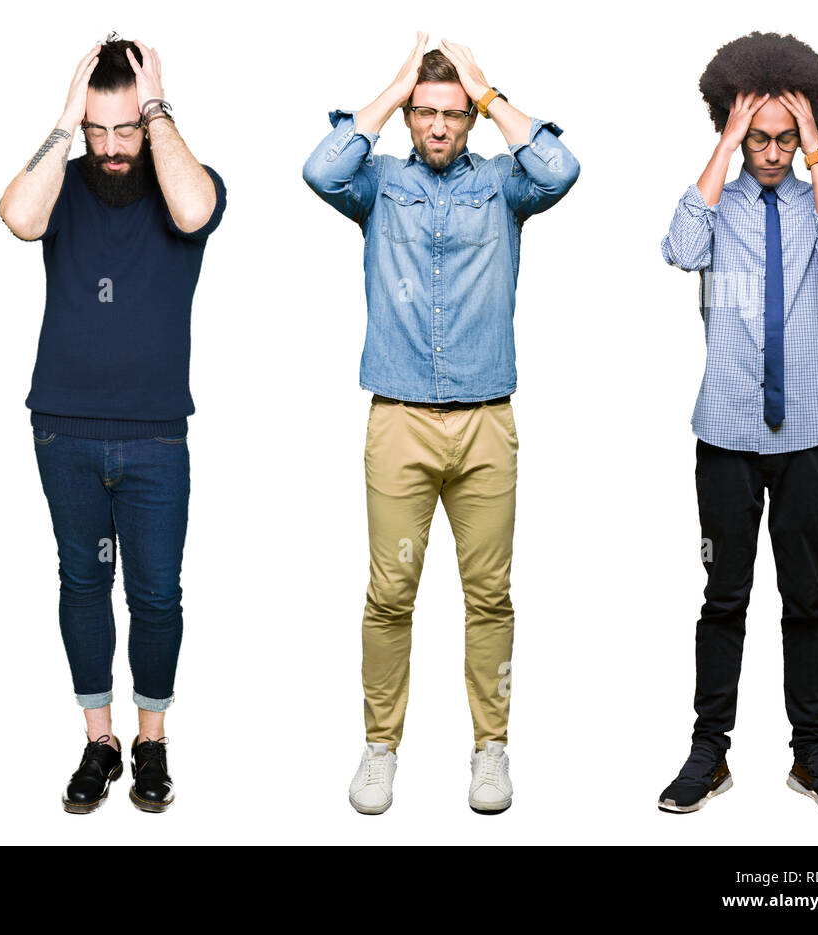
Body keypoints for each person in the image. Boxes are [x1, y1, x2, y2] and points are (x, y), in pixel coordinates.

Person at [302, 32, 579, 815]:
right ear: (408, 117)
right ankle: (379, 746)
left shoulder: (503, 186)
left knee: (489, 594)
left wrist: (488, 92)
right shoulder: (379, 185)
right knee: (390, 594)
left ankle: (491, 748)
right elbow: (319, 168)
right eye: (425, 112)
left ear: (470, 120)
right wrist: (391, 90)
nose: (437, 127)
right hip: (399, 421)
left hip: (487, 421)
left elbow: (563, 168)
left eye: (451, 114)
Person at [0, 33, 225, 814]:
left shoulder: (184, 182)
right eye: (99, 132)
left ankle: (151, 738)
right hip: (63, 428)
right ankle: (99, 739)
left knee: (157, 594)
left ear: (150, 119)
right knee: (83, 582)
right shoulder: (61, 181)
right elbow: (18, 219)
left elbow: (196, 209)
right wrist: (68, 115)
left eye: (124, 129)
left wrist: (155, 110)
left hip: (157, 434)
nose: (111, 147)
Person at [658, 31, 818, 815]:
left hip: (809, 433)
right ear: (736, 129)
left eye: (787, 137)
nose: (773, 151)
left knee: (806, 597)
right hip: (727, 436)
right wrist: (726, 143)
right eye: (762, 137)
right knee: (724, 598)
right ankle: (708, 752)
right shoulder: (718, 203)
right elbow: (678, 246)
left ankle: (811, 752)